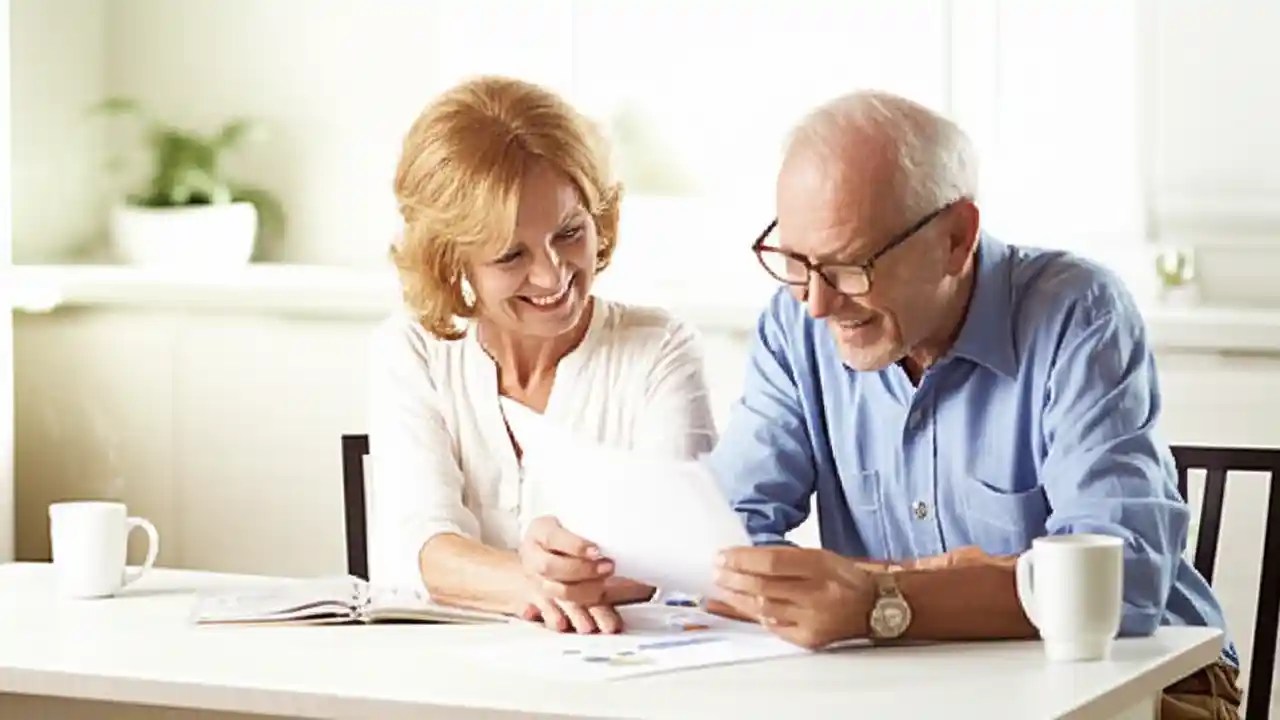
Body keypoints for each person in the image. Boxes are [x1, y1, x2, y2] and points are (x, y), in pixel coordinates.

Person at [703, 90, 1241, 718]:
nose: (818, 304)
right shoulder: (797, 326)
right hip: (923, 693)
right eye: (796, 262)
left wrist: (876, 597)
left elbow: (1118, 586)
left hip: (1143, 688)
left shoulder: (1075, 312)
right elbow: (721, 538)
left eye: (851, 266)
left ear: (956, 239)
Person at [366, 75, 717, 635]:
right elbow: (422, 545)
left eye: (570, 232)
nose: (553, 274)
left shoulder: (658, 349)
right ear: (451, 260)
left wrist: (538, 579)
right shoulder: (414, 351)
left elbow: (674, 553)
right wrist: (534, 580)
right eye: (511, 255)